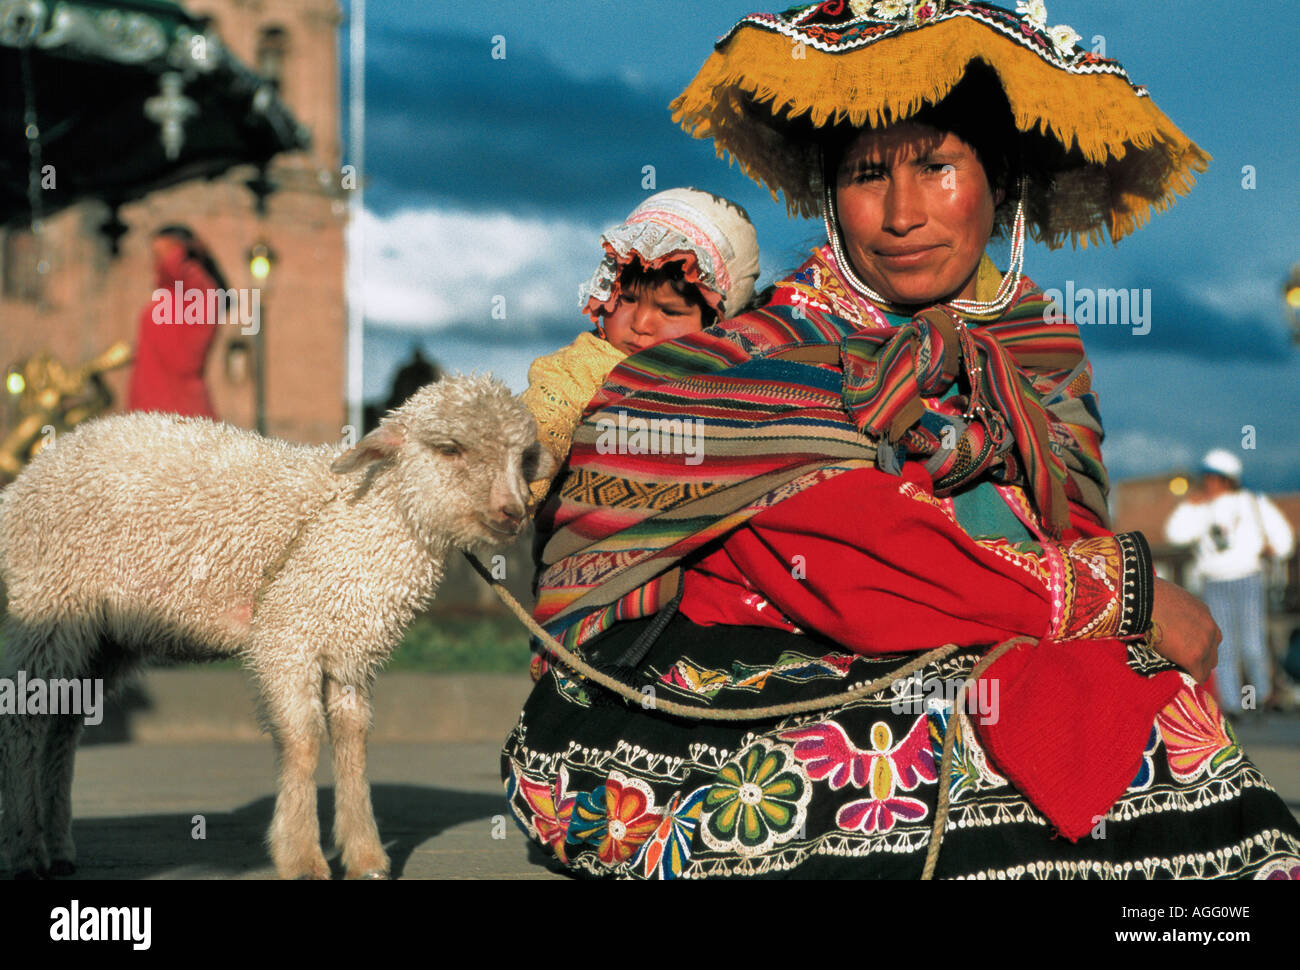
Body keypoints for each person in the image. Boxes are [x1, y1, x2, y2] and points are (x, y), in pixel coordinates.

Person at [504, 1, 1300, 879]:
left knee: (1174, 729)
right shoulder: (757, 357)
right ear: (829, 193)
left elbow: (1068, 529)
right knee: (879, 760)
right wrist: (1124, 592)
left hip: (991, 640)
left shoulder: (1037, 352)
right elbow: (854, 562)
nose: (901, 213)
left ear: (1000, 185)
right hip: (743, 681)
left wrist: (1112, 614)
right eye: (867, 174)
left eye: (937, 166)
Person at [520, 188, 759, 504]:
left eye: (669, 311)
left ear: (714, 322)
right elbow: (548, 413)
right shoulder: (584, 364)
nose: (641, 324)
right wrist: (522, 471)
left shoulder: (736, 372)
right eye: (628, 299)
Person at [1166, 449, 1296, 715]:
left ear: (1227, 479)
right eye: (1207, 478)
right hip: (1215, 581)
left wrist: (1277, 549)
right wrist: (1190, 507)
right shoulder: (1201, 508)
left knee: (1252, 640)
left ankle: (1260, 696)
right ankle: (1233, 704)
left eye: (1215, 478)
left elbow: (1282, 536)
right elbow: (1175, 534)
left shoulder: (1251, 502)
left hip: (1247, 577)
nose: (1209, 484)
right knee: (1223, 646)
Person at [126, 225, 227, 419]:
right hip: (151, 409)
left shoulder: (201, 292)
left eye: (158, 255)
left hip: (179, 411)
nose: (154, 263)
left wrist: (183, 252)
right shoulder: (169, 297)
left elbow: (185, 360)